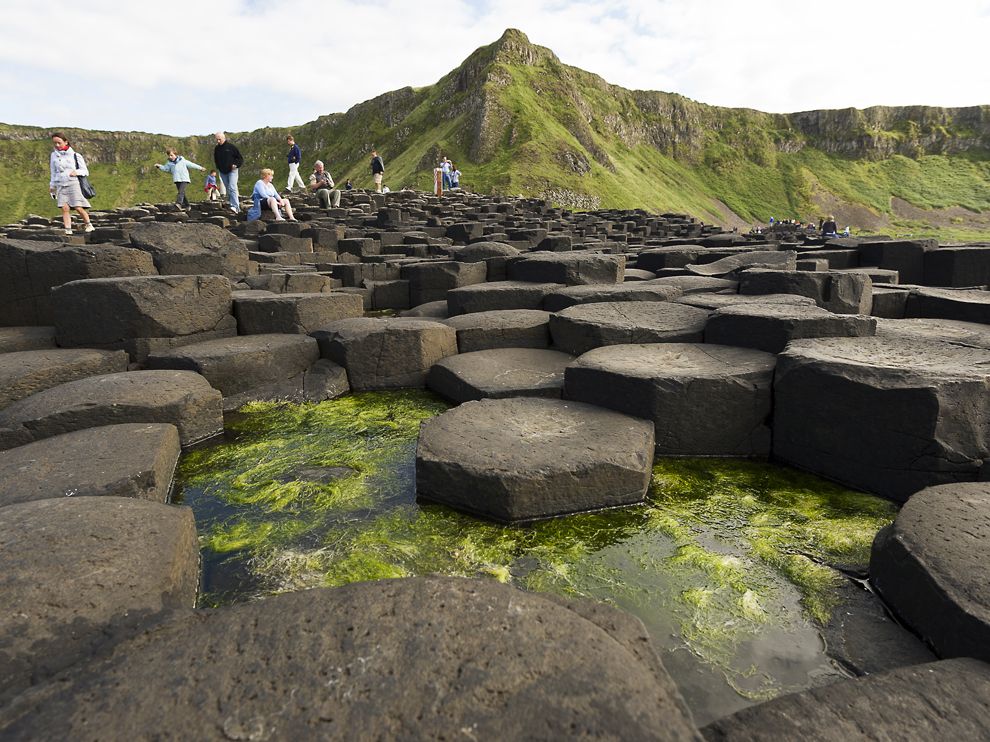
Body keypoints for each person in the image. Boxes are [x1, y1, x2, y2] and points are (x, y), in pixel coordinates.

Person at [48, 132, 94, 235]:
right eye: (54, 143)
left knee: (78, 206)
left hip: (73, 183)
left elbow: (85, 171)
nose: (57, 145)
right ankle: (68, 230)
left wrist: (76, 172)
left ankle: (88, 224)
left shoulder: (75, 155)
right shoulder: (53, 155)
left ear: (66, 142)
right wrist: (52, 186)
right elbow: (53, 171)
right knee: (64, 208)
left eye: (59, 143)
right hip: (60, 184)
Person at [213, 131, 244, 213]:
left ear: (224, 138)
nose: (218, 141)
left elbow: (240, 158)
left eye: (219, 139)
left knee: (232, 187)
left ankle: (235, 207)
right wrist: (218, 167)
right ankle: (232, 205)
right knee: (228, 189)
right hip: (223, 172)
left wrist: (236, 165)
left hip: (232, 171)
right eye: (217, 140)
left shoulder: (231, 147)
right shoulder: (216, 148)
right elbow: (216, 159)